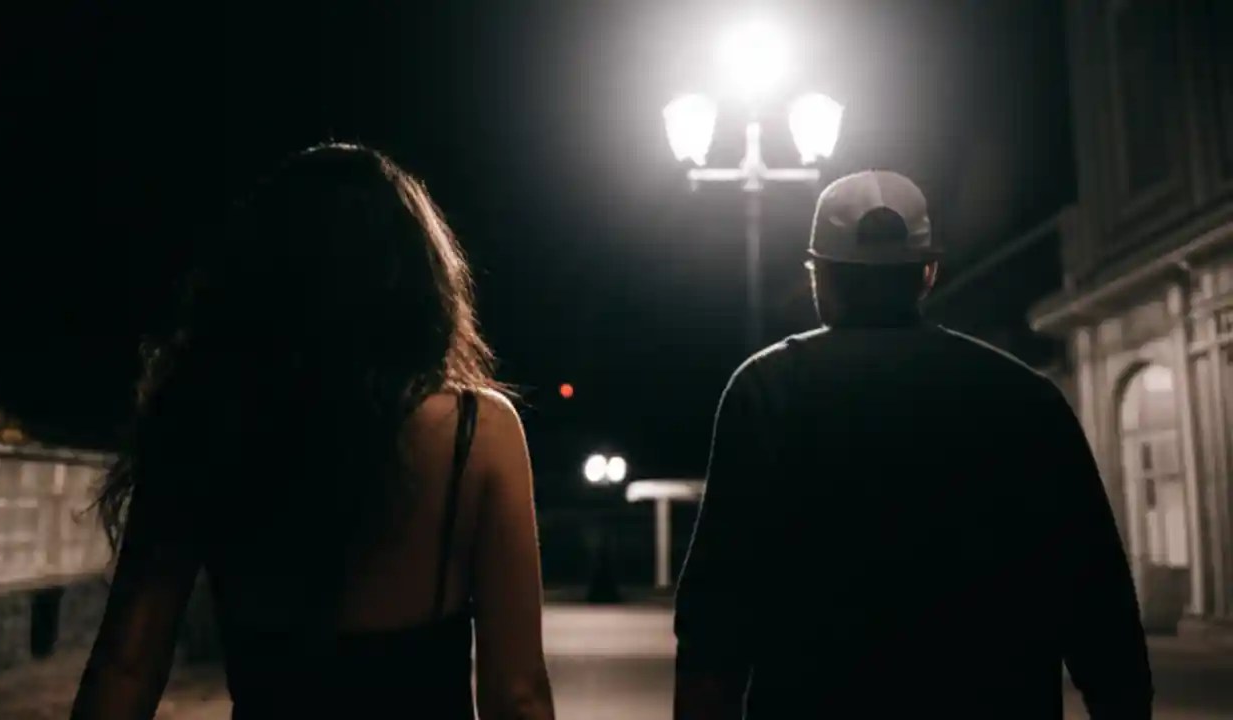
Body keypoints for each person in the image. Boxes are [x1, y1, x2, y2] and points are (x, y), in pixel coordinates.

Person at [70, 143, 555, 720]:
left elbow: (127, 664)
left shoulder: (204, 422)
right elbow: (516, 692)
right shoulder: (477, 435)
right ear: (415, 280)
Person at [672, 170, 1152, 719]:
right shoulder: (1024, 396)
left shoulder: (766, 390)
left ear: (820, 276)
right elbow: (1096, 595)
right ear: (928, 274)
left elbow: (716, 609)